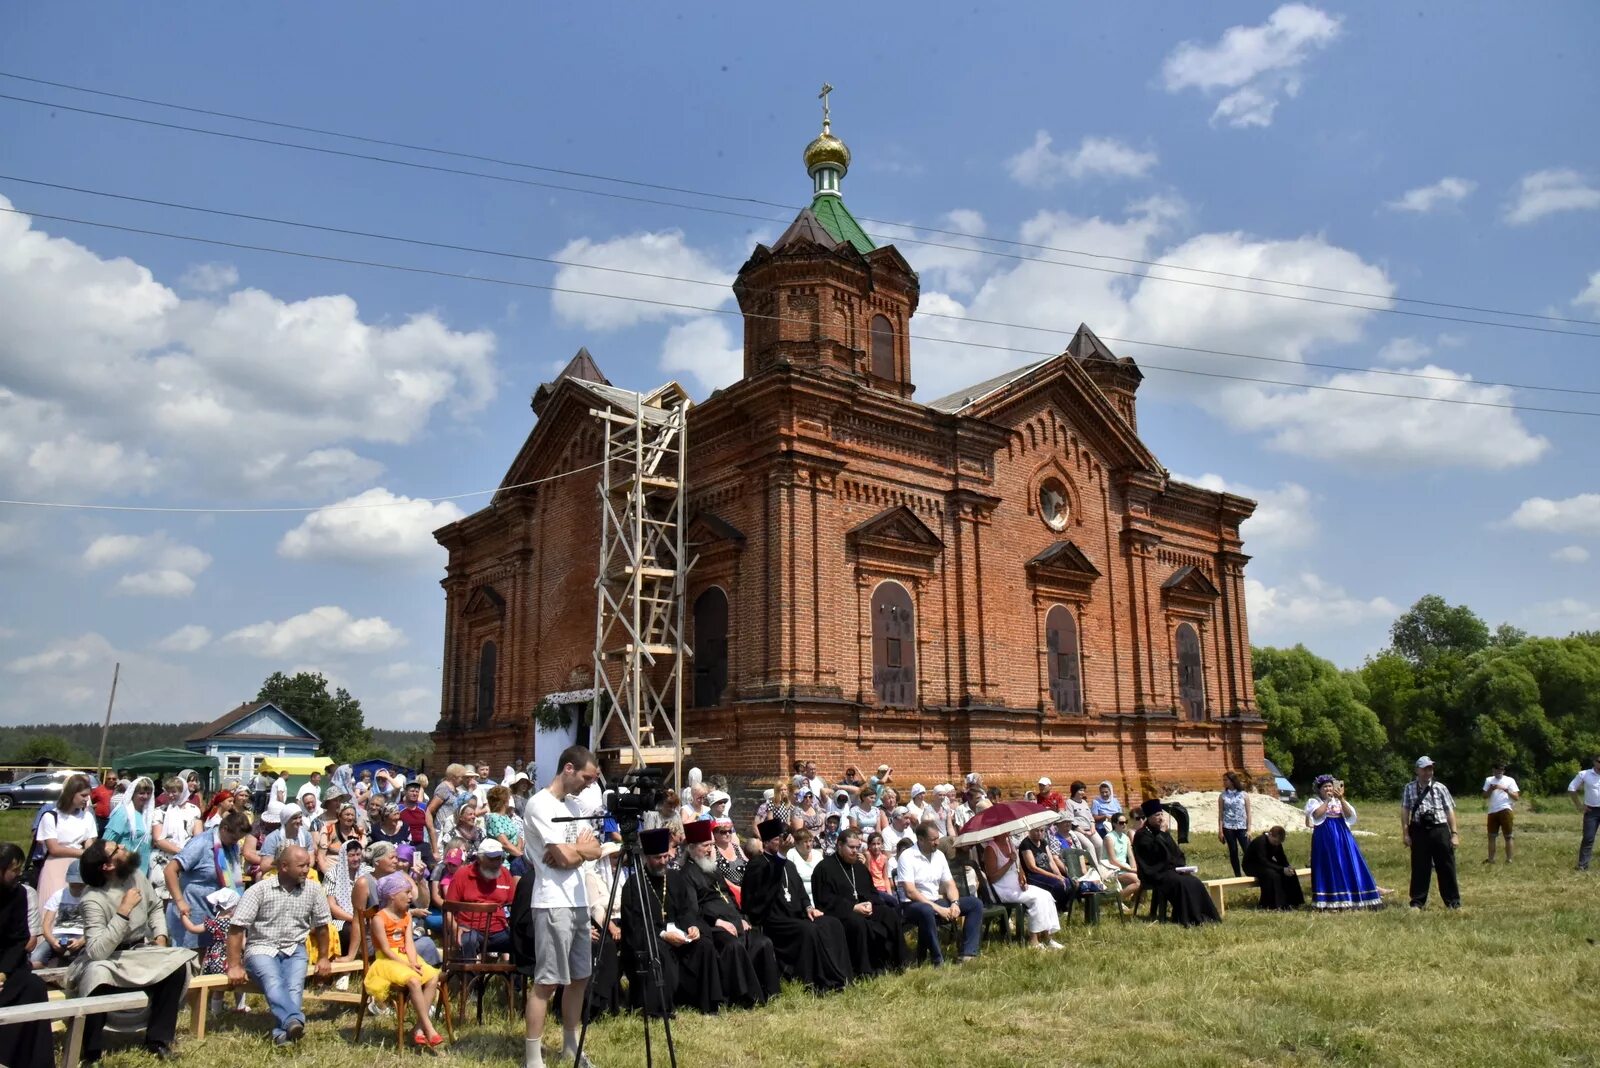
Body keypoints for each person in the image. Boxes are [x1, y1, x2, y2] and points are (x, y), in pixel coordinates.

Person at [72, 839, 194, 1062]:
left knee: (177, 965)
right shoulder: (92, 899)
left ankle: (158, 1040)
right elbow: (97, 951)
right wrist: (123, 911)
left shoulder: (136, 876)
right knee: (97, 975)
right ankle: (91, 1051)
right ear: (106, 866)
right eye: (117, 849)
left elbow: (155, 906)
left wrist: (160, 936)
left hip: (140, 951)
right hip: (110, 959)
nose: (124, 848)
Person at [520, 745, 601, 1068]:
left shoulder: (573, 805)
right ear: (568, 769)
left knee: (580, 976)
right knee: (547, 981)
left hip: (579, 900)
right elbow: (565, 858)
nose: (588, 784)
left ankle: (571, 1044)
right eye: (586, 777)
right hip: (552, 901)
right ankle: (532, 1056)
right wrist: (576, 850)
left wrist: (577, 849)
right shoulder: (539, 804)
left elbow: (592, 848)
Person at [225, 844, 332, 1046]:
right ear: (284, 866)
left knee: (293, 988)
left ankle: (282, 1035)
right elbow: (237, 928)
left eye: (308, 865)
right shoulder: (259, 890)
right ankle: (294, 1019)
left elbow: (322, 926)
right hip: (261, 948)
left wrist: (324, 957)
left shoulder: (314, 889)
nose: (306, 870)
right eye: (301, 866)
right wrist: (234, 965)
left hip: (295, 948)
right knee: (273, 980)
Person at [619, 828, 724, 1016]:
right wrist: (663, 934)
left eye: (666, 857)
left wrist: (692, 927)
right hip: (650, 938)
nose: (662, 862)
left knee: (704, 946)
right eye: (657, 858)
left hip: (678, 935)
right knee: (659, 950)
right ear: (646, 857)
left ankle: (707, 1004)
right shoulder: (634, 885)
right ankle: (661, 1008)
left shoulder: (674, 878)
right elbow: (635, 927)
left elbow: (687, 911)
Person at [740, 818, 853, 992]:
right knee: (808, 930)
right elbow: (764, 890)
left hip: (797, 915)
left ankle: (841, 976)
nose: (781, 842)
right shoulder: (757, 864)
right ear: (766, 842)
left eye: (782, 838)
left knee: (832, 923)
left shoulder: (789, 865)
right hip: (774, 919)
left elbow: (800, 892)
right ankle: (813, 980)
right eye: (777, 839)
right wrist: (780, 856)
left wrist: (808, 907)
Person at [676, 821, 778, 1004]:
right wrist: (718, 922)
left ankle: (770, 992)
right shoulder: (686, 875)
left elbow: (729, 896)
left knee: (763, 942)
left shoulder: (712, 868)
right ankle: (743, 997)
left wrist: (741, 918)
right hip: (711, 927)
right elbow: (692, 910)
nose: (709, 850)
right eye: (705, 846)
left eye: (710, 845)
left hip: (733, 919)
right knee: (733, 946)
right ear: (691, 848)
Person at [810, 825, 908, 975]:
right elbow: (825, 900)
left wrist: (870, 902)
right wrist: (852, 907)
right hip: (840, 914)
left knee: (890, 914)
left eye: (857, 847)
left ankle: (898, 963)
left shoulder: (859, 867)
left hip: (864, 908)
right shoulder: (824, 869)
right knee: (859, 923)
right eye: (851, 847)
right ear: (840, 845)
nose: (855, 851)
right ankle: (865, 971)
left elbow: (871, 891)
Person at [366, 872, 445, 1047]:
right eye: (407, 892)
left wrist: (413, 961)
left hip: (406, 957)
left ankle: (417, 1027)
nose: (410, 897)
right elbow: (386, 949)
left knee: (433, 977)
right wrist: (407, 965)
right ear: (392, 895)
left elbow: (409, 942)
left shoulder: (406, 916)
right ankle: (429, 1027)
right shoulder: (379, 919)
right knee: (414, 980)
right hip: (387, 960)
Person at [898, 821, 983, 965]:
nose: (937, 842)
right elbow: (910, 892)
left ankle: (968, 953)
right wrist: (938, 909)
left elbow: (949, 884)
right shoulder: (907, 857)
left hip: (935, 902)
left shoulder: (938, 856)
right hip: (912, 905)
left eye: (938, 838)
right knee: (926, 910)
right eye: (933, 840)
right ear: (921, 839)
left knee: (975, 904)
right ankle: (938, 960)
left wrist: (955, 903)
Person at [164, 810, 250, 950]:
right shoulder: (201, 843)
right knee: (189, 960)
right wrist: (180, 902)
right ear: (224, 829)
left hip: (216, 915)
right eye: (234, 838)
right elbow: (170, 870)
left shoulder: (232, 847)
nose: (236, 842)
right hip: (192, 910)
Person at [0, 842, 53, 1068]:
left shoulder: (19, 894)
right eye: (13, 869)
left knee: (34, 987)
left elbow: (19, 939)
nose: (19, 873)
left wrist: (2, 974)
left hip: (7, 965)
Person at [1131, 799, 1220, 927]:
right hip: (1155, 872)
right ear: (1148, 818)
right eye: (1157, 815)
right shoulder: (1142, 835)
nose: (1160, 818)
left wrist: (1180, 866)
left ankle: (1206, 916)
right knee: (1182, 884)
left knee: (1195, 882)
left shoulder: (1162, 832)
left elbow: (1175, 852)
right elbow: (1154, 854)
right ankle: (1187, 917)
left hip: (1170, 870)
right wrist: (1161, 834)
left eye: (1161, 814)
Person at [980, 831, 1063, 950]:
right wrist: (1009, 862)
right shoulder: (990, 849)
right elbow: (992, 878)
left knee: (1046, 895)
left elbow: (1018, 867)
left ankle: (1047, 936)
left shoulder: (1011, 844)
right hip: (1001, 889)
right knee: (1036, 898)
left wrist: (1022, 876)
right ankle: (1033, 940)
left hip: (1016, 885)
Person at [1400, 756, 1460, 910]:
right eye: (1425, 769)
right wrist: (1406, 833)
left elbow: (1449, 810)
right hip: (1419, 830)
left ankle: (1453, 902)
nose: (1428, 772)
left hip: (1439, 828)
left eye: (1430, 768)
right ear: (1417, 770)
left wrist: (1454, 833)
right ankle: (1417, 902)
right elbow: (1405, 810)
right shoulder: (1409, 788)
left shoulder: (1440, 787)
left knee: (1446, 866)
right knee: (1420, 866)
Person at [444, 839, 516, 958]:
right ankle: (470, 977)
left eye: (500, 858)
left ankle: (515, 976)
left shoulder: (505, 874)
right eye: (492, 859)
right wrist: (455, 929)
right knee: (468, 941)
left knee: (520, 941)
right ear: (479, 859)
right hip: (470, 929)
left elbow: (514, 904)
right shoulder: (462, 875)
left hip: (500, 930)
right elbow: (448, 909)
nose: (497, 863)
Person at [36, 773, 98, 908]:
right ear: (71, 794)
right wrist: (83, 853)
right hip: (56, 867)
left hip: (79, 868)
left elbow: (90, 842)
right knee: (52, 907)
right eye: (83, 795)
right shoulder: (51, 816)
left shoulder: (87, 817)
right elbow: (54, 848)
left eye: (88, 795)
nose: (87, 799)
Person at [150, 776, 201, 910]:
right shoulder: (159, 811)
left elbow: (198, 837)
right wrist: (181, 852)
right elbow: (158, 839)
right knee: (163, 900)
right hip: (164, 859)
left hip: (187, 861)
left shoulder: (194, 810)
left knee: (183, 897)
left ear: (183, 791)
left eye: (175, 791)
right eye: (168, 791)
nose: (171, 795)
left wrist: (190, 855)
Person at [32, 859, 88, 966]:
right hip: (59, 934)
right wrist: (53, 941)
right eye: (73, 885)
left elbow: (96, 924)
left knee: (85, 958)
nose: (76, 889)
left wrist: (81, 941)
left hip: (82, 933)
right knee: (36, 957)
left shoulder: (90, 896)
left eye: (80, 886)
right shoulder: (59, 894)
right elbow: (46, 924)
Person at [1242, 826, 1304, 910]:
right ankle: (1273, 904)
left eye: (1278, 843)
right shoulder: (1260, 841)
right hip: (1252, 866)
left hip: (1265, 864)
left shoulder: (1277, 844)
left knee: (1291, 873)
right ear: (1270, 835)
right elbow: (1263, 860)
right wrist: (1282, 869)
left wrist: (1287, 867)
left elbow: (1281, 857)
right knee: (1273, 875)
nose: (1276, 844)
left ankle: (1293, 901)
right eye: (1275, 842)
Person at [1482, 762, 1521, 865]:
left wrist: (1505, 789)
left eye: (1502, 770)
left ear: (1504, 771)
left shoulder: (1509, 780)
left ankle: (1509, 860)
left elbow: (1516, 797)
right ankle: (1491, 860)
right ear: (1493, 770)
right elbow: (1484, 796)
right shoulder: (1489, 780)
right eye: (1498, 770)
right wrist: (1491, 789)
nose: (1500, 772)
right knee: (1491, 836)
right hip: (1492, 811)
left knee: (1508, 836)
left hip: (1506, 810)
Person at [1101, 811, 1141, 907]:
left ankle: (1135, 901)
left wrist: (1135, 868)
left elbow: (1131, 856)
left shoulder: (1125, 837)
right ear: (1114, 824)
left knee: (1143, 876)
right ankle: (1118, 900)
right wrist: (1130, 870)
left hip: (1124, 868)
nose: (1124, 825)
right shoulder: (1109, 838)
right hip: (1112, 870)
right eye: (1121, 823)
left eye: (1126, 822)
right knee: (1138, 881)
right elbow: (1112, 860)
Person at [484, 785, 526, 874]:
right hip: (504, 863)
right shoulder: (493, 818)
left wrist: (518, 852)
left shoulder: (506, 817)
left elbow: (518, 837)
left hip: (514, 858)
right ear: (504, 801)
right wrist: (521, 855)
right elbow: (504, 843)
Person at [1218, 772, 1252, 878]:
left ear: (1232, 781)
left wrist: (1249, 828)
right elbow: (1220, 813)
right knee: (1233, 851)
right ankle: (1237, 875)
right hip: (1228, 827)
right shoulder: (1222, 796)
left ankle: (1250, 871)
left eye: (1226, 780)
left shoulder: (1244, 795)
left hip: (1242, 826)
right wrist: (1220, 830)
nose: (1224, 782)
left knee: (1247, 850)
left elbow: (1248, 812)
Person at [1570, 753, 1600, 872]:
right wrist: (1579, 805)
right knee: (1588, 838)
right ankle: (1582, 865)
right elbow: (1572, 788)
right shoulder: (1584, 774)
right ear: (1594, 762)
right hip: (1591, 811)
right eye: (1599, 761)